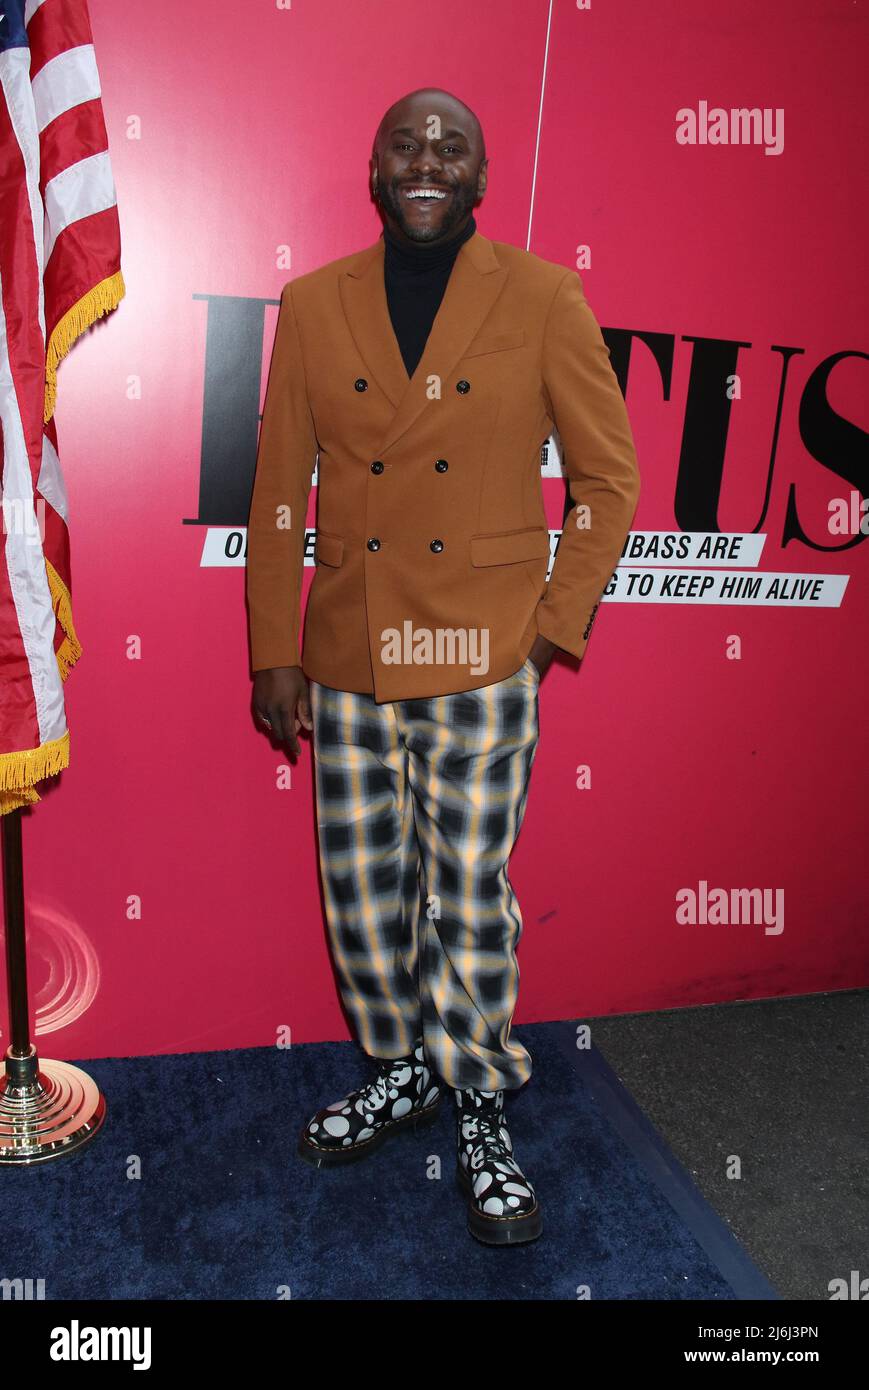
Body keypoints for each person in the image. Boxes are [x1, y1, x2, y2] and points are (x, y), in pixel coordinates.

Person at [246, 87, 640, 1246]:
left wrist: (546, 628)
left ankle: (476, 1095)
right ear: (374, 170)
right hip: (351, 649)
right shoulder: (313, 301)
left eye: (449, 147)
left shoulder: (540, 294)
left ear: (478, 178)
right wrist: (276, 646)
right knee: (365, 894)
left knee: (465, 885)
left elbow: (605, 482)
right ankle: (408, 1064)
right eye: (406, 145)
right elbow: (277, 498)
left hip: (479, 650)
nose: (426, 161)